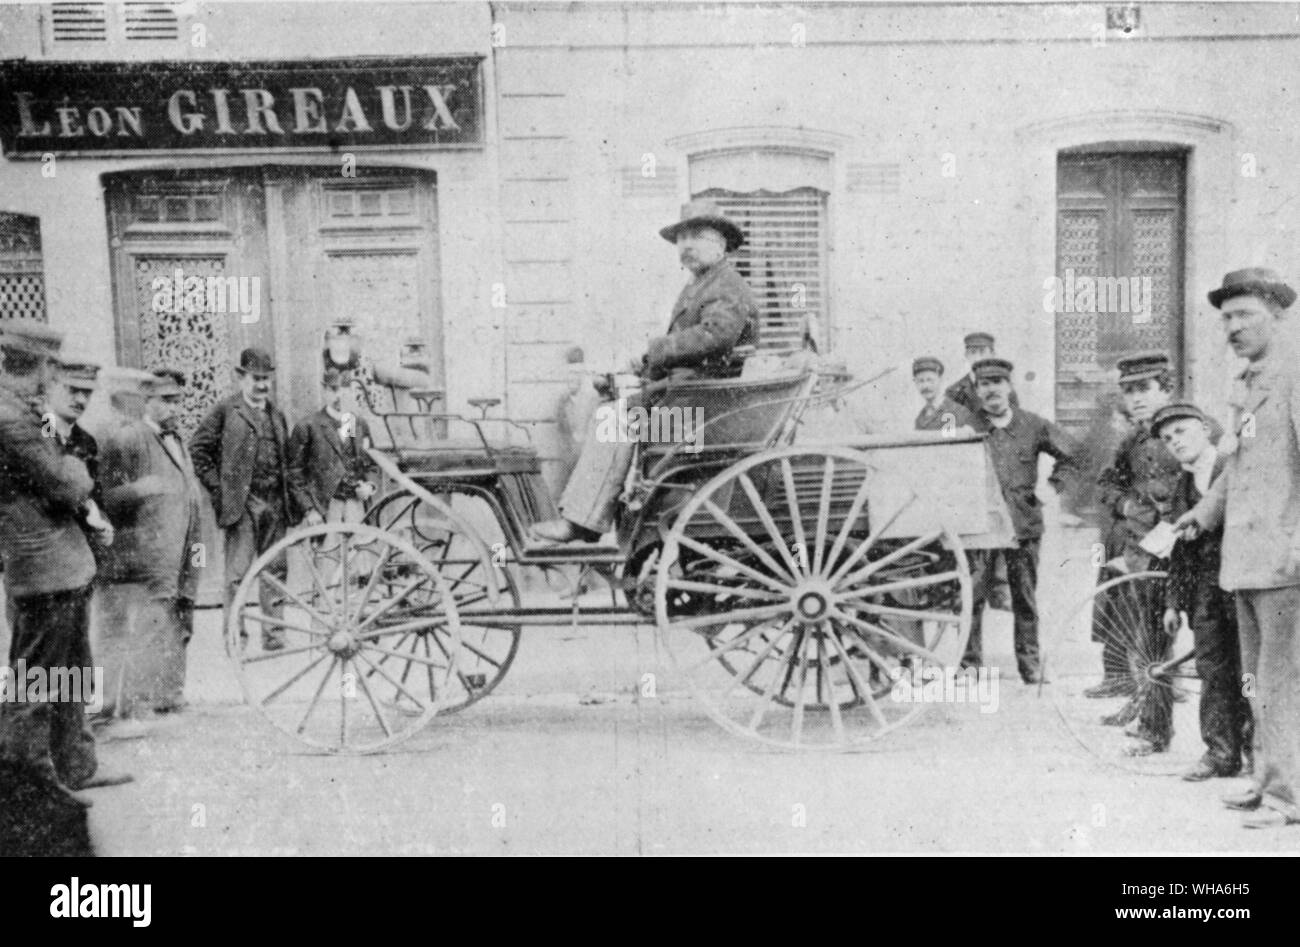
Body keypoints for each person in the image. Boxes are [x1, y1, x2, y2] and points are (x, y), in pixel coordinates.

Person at [531, 199, 759, 543]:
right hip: (689, 402)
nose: (686, 246)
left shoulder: (726, 285)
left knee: (614, 421)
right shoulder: (702, 284)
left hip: (700, 415)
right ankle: (597, 514)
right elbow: (691, 344)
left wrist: (653, 351)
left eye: (696, 236)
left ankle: (583, 522)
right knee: (611, 413)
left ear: (721, 243)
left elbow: (715, 336)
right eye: (681, 239)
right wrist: (647, 363)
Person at [1174, 267, 1300, 829]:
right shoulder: (1248, 383)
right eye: (1225, 317)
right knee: (1256, 682)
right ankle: (1266, 778)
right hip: (1247, 561)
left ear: (1278, 315)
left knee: (1281, 683)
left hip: (1285, 560)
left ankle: (1288, 796)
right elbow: (1235, 467)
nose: (1231, 326)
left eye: (1244, 314)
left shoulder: (1294, 379)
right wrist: (1203, 514)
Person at [0, 323, 130, 808]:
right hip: (41, 567)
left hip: (61, 565)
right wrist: (74, 473)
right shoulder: (11, 417)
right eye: (51, 369)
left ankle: (75, 765)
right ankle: (29, 788)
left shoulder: (25, 413)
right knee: (34, 680)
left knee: (71, 669)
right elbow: (70, 483)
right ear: (41, 365)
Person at [1126, 401, 1252, 775]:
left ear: (1204, 428)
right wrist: (1171, 604)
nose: (1175, 443)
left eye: (1181, 432)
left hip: (1242, 586)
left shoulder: (1233, 467)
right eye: (1167, 439)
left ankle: (1256, 752)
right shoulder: (1181, 485)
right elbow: (1178, 552)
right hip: (1205, 595)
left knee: (1249, 672)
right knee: (1212, 671)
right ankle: (1220, 754)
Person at [96, 369, 203, 721]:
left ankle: (168, 694)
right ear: (146, 401)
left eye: (176, 400)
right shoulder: (130, 438)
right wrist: (140, 490)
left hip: (183, 546)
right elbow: (105, 496)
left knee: (179, 618)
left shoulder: (174, 437)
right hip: (150, 550)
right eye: (165, 400)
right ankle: (134, 702)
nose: (173, 407)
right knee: (149, 625)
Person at [963, 357, 1079, 683]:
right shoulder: (968, 428)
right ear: (977, 390)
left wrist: (1051, 488)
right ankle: (969, 667)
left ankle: (1029, 666)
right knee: (972, 597)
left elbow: (1073, 456)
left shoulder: (1033, 425)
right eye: (984, 385)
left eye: (997, 383)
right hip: (980, 528)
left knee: (1024, 598)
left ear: (1009, 386)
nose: (991, 391)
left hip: (1022, 524)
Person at [189, 347, 297, 650]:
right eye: (256, 378)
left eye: (266, 379)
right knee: (237, 574)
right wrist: (220, 489)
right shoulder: (226, 411)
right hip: (243, 504)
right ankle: (235, 637)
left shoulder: (276, 414)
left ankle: (274, 635)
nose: (262, 385)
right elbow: (198, 450)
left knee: (275, 569)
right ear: (241, 378)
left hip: (274, 500)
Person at [1086, 352, 1178, 701]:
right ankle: (1121, 678)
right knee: (1120, 602)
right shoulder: (1131, 441)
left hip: (1173, 535)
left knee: (1161, 612)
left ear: (1166, 389)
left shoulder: (1187, 427)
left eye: (1144, 388)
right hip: (1134, 536)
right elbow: (1106, 483)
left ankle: (1164, 682)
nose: (1136, 398)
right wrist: (1126, 504)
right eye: (1129, 391)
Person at [288, 367, 379, 527]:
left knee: (358, 550)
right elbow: (294, 473)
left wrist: (369, 486)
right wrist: (309, 509)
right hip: (324, 509)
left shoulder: (359, 425)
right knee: (327, 551)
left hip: (356, 507)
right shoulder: (308, 427)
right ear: (324, 390)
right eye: (334, 389)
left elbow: (371, 464)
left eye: (345, 390)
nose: (339, 396)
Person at [945, 332, 1019, 417]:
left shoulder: (1005, 389)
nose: (978, 357)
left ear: (992, 354)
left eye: (982, 352)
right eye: (973, 352)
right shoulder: (954, 391)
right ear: (966, 355)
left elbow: (1015, 423)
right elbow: (950, 428)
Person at [912, 356, 973, 432]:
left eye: (930, 380)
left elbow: (948, 441)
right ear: (915, 383)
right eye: (921, 381)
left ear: (940, 380)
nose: (926, 386)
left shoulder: (955, 411)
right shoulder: (920, 418)